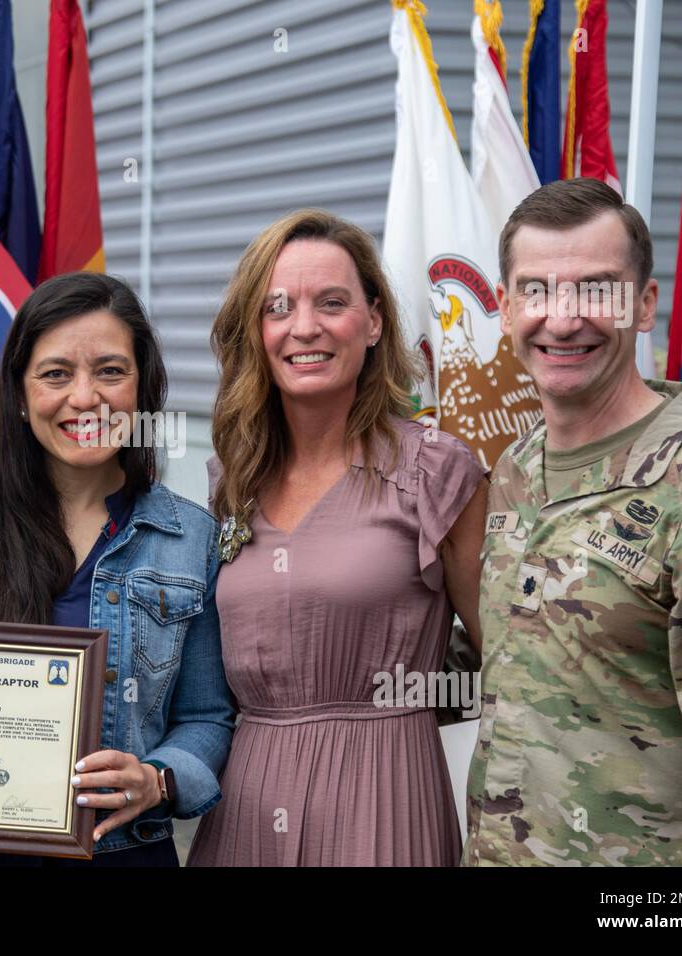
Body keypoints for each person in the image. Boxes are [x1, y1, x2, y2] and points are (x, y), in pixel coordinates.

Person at [466, 178, 682, 866]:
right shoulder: (515, 472)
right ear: (506, 307)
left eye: (596, 290)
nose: (563, 318)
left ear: (643, 305)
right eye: (537, 290)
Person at [0, 271, 234, 866]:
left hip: (114, 850)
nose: (85, 397)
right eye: (56, 373)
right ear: (19, 393)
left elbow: (206, 716)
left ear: (143, 389)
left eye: (110, 371)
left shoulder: (190, 538)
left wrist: (158, 778)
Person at [187, 209, 488, 867]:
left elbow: (511, 661)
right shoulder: (229, 480)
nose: (305, 327)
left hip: (385, 798)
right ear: (255, 330)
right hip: (246, 802)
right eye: (278, 307)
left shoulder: (440, 469)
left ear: (374, 321)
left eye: (332, 303)